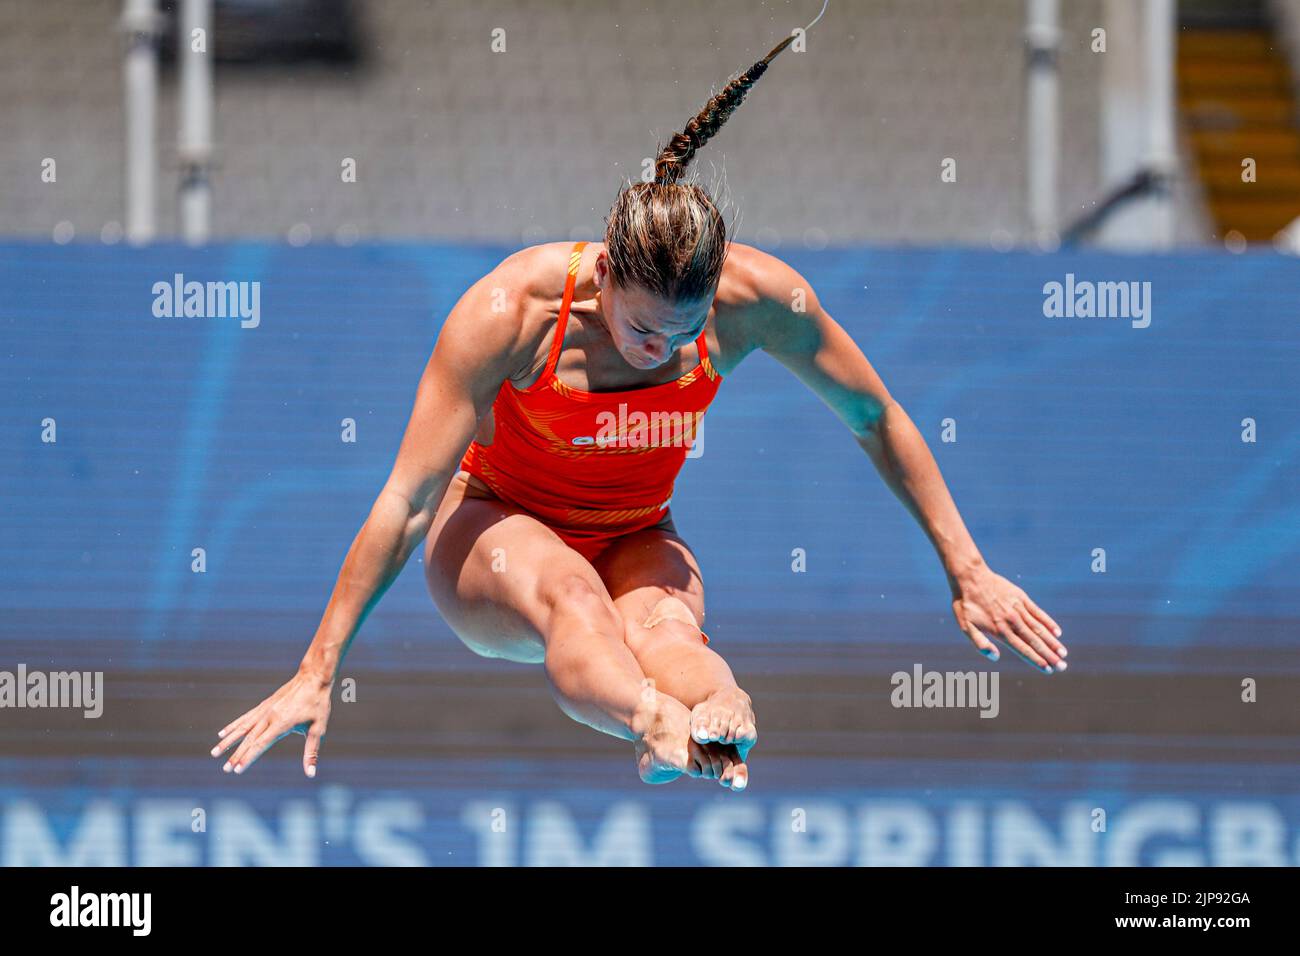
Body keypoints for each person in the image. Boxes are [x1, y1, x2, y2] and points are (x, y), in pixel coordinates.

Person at [212, 24, 1066, 792]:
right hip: (490, 530)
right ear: (605, 277)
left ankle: (719, 718)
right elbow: (404, 504)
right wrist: (320, 666)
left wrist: (968, 567)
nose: (660, 350)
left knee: (667, 631)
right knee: (574, 599)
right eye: (642, 330)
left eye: (684, 330)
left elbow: (874, 417)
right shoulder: (509, 314)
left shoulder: (757, 300)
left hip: (635, 529)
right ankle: (653, 723)